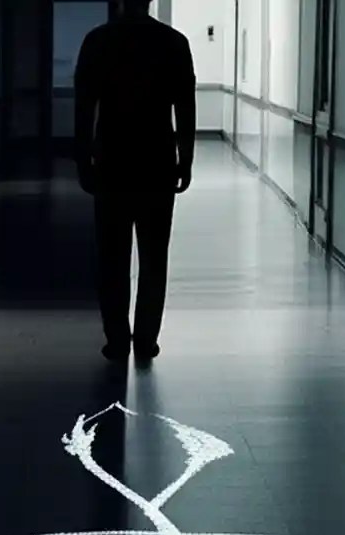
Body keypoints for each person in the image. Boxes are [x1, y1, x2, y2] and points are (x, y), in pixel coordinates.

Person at [74, 0, 196, 361]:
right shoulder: (173, 42)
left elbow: (84, 106)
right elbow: (185, 107)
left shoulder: (98, 41)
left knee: (111, 256)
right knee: (154, 255)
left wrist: (83, 159)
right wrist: (185, 160)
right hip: (156, 163)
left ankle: (116, 338)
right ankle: (145, 338)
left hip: (112, 163)